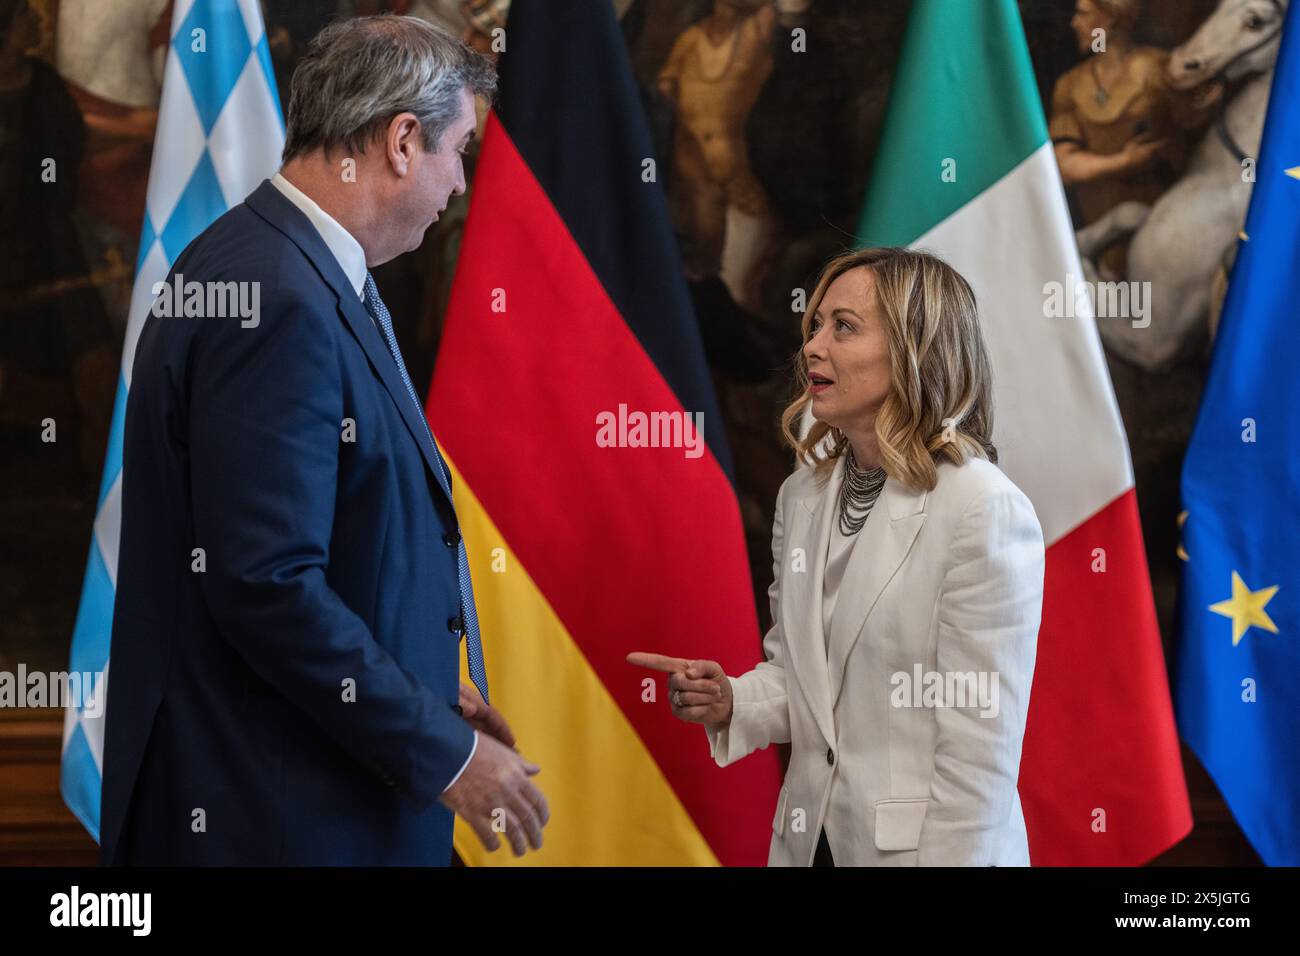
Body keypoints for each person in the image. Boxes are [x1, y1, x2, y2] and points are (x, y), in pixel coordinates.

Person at [99, 15, 548, 865]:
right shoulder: (278, 298)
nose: (460, 183)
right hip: (275, 819)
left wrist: (417, 678)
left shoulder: (280, 264)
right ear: (403, 141)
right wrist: (441, 752)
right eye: (460, 150)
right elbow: (266, 583)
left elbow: (325, 539)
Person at [631, 247, 1045, 866]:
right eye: (815, 326)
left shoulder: (982, 507)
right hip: (811, 845)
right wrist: (734, 700)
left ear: (913, 349)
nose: (813, 347)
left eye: (843, 327)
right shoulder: (804, 494)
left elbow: (979, 757)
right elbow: (806, 682)